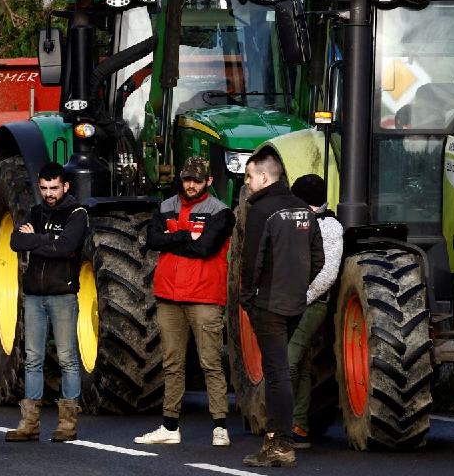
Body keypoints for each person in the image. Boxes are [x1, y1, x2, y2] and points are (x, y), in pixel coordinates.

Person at [135, 156, 234, 448]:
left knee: (211, 363)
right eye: (186, 179)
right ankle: (169, 426)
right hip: (169, 295)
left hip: (205, 296)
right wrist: (183, 234)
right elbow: (152, 240)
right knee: (171, 363)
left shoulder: (221, 212)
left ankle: (220, 426)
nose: (190, 185)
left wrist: (172, 238)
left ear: (209, 182)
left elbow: (206, 248)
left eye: (197, 180)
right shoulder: (165, 205)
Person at [239, 153, 324, 468]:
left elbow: (251, 261)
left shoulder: (261, 210)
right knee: (280, 371)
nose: (247, 184)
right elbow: (319, 258)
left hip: (268, 303)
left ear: (264, 177)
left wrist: (247, 299)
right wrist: (299, 286)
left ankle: (280, 444)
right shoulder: (304, 210)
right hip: (295, 302)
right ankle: (278, 442)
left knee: (276, 374)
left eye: (249, 177)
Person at [4, 162, 89, 443]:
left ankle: (68, 422)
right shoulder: (36, 211)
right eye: (44, 188)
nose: (49, 193)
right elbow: (16, 241)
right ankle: (30, 423)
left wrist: (36, 239)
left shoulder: (77, 213)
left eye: (54, 188)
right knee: (33, 359)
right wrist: (49, 240)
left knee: (67, 358)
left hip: (62, 295)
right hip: (34, 296)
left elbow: (66, 247)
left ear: (65, 186)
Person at [286, 175, 343, 449]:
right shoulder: (295, 222)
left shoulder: (330, 227)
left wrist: (301, 298)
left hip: (312, 303)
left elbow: (327, 274)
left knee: (290, 359)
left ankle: (282, 423)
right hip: (289, 300)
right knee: (303, 365)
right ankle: (299, 426)